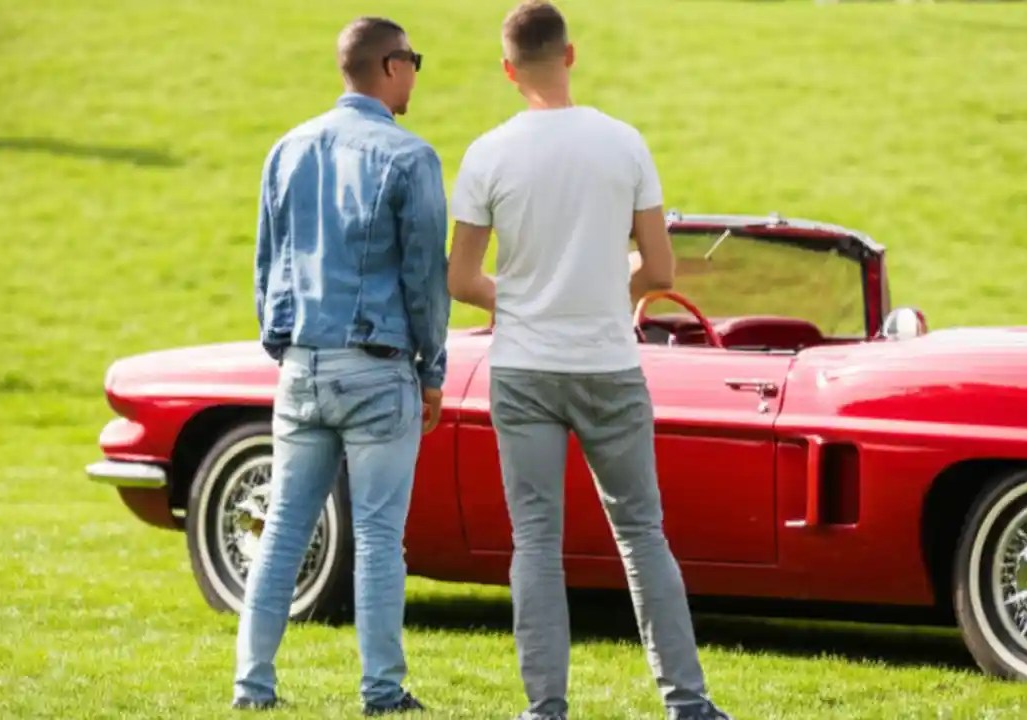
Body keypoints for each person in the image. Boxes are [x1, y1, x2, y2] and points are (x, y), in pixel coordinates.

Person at [446, 3, 731, 719]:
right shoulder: (624, 143)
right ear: (569, 56)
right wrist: (613, 286)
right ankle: (688, 704)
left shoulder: (487, 154)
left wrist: (517, 299)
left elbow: (460, 279)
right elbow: (661, 269)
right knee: (642, 533)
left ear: (509, 70)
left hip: (523, 371)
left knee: (536, 541)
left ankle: (546, 708)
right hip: (608, 365)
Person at [235, 15, 449, 716]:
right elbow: (424, 278)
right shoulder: (410, 157)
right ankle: (382, 691)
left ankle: (252, 687)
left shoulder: (286, 148)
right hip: (378, 367)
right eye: (413, 60)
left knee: (284, 529)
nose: (416, 71)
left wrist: (283, 345)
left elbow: (267, 263)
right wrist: (433, 370)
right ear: (389, 66)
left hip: (302, 364)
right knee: (380, 538)